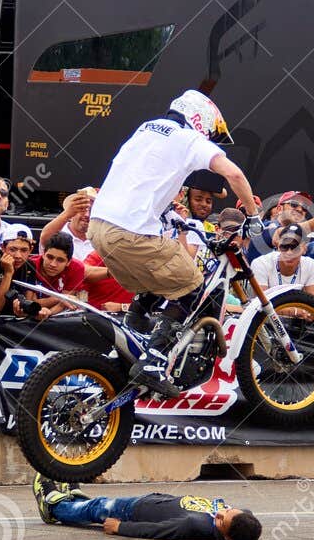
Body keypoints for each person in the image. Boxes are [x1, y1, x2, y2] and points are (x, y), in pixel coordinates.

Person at [87, 90, 254, 396]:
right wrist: (254, 216)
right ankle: (153, 361)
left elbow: (139, 180)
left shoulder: (145, 130)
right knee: (192, 284)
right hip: (130, 232)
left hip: (99, 229)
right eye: (210, 134)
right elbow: (235, 174)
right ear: (200, 120)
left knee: (157, 281)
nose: (210, 140)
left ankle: (132, 333)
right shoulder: (188, 139)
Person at [32, 476, 262, 540]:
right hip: (151, 501)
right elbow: (246, 513)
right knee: (96, 506)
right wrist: (242, 518)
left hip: (134, 512)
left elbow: (154, 531)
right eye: (228, 511)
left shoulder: (195, 526)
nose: (222, 513)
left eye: (223, 520)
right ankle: (73, 500)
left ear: (228, 538)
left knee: (97, 508)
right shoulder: (237, 519)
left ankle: (54, 508)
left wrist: (121, 527)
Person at [250, 225, 314, 290]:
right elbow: (262, 302)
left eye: (295, 248)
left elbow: (313, 302)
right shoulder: (261, 263)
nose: (289, 252)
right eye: (284, 247)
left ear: (304, 249)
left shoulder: (310, 265)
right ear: (278, 247)